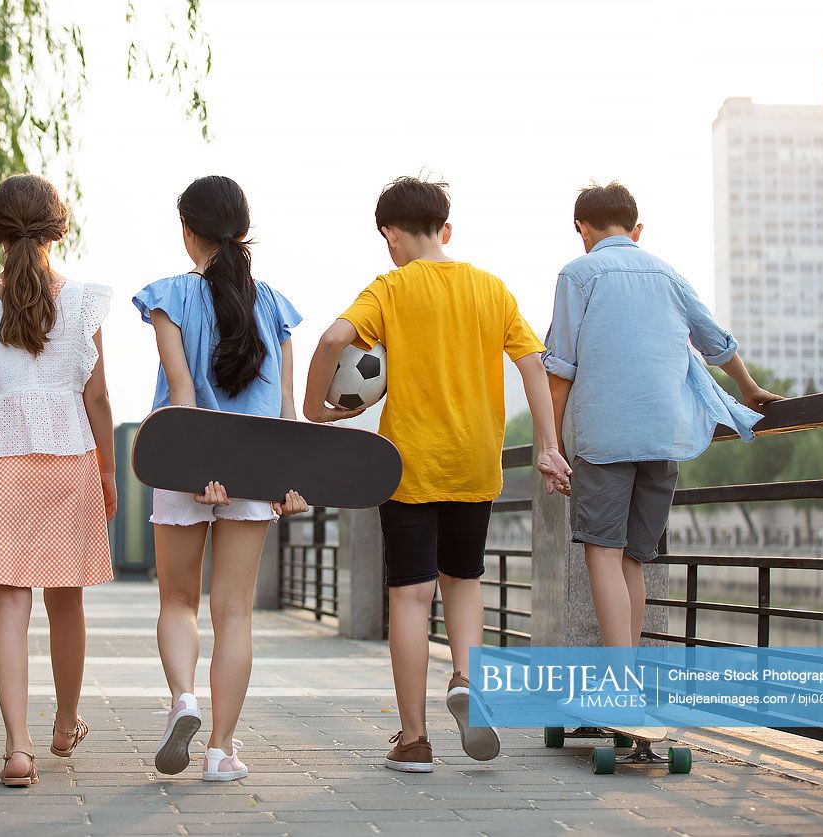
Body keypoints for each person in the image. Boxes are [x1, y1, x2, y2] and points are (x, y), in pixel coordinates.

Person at [303, 176, 572, 773]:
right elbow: (533, 366)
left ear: (390, 234)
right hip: (475, 461)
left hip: (408, 465)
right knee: (464, 581)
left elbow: (331, 338)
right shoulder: (491, 289)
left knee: (410, 595)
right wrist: (548, 446)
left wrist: (312, 407)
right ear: (445, 230)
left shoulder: (392, 287)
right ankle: (468, 681)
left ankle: (414, 739)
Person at [0, 174, 116, 788]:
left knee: (9, 601)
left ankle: (18, 748)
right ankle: (66, 723)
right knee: (68, 597)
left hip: (0, 459)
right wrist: (110, 471)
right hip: (70, 459)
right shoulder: (86, 300)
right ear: (57, 227)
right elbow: (99, 398)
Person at [543, 182, 780, 649]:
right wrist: (748, 389)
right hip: (664, 434)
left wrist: (553, 444)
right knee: (634, 559)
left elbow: (560, 369)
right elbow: (715, 342)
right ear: (637, 229)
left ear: (581, 228)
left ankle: (620, 681)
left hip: (603, 438)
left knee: (604, 554)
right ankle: (629, 678)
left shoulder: (579, 274)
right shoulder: (668, 275)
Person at [134, 175, 308, 783]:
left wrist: (195, 469)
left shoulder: (168, 297)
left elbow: (181, 395)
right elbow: (286, 413)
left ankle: (183, 698)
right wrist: (288, 483)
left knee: (178, 601)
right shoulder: (276, 307)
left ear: (188, 233)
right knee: (234, 611)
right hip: (257, 471)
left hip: (185, 462)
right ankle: (220, 751)